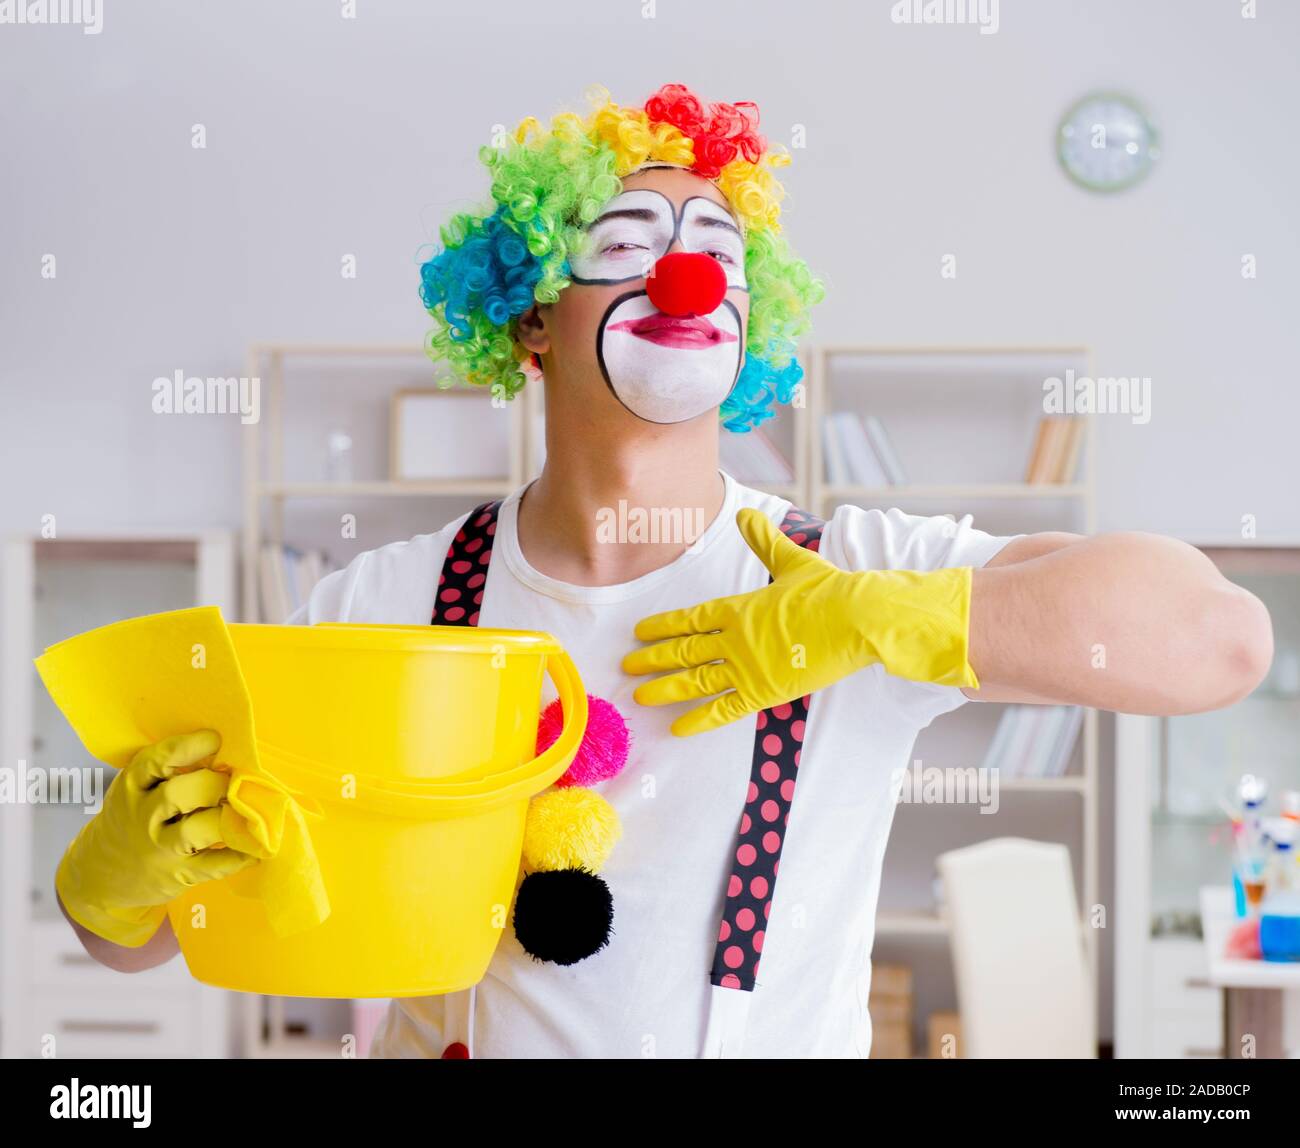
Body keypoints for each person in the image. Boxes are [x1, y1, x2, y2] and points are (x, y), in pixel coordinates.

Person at [56, 82, 1273, 1059]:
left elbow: (1217, 641)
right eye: (627, 245)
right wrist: (112, 884)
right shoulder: (379, 603)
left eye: (719, 253)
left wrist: (885, 618)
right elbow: (158, 935)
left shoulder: (843, 568)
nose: (688, 276)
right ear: (531, 319)